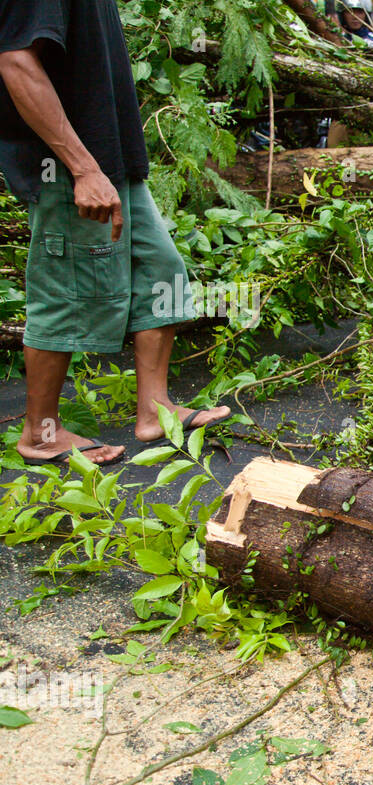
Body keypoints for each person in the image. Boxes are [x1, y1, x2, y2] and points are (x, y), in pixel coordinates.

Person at [0, 0, 230, 466]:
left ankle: (155, 409)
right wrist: (83, 169)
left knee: (160, 270)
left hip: (110, 160)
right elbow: (15, 61)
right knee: (64, 290)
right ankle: (40, 432)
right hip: (67, 169)